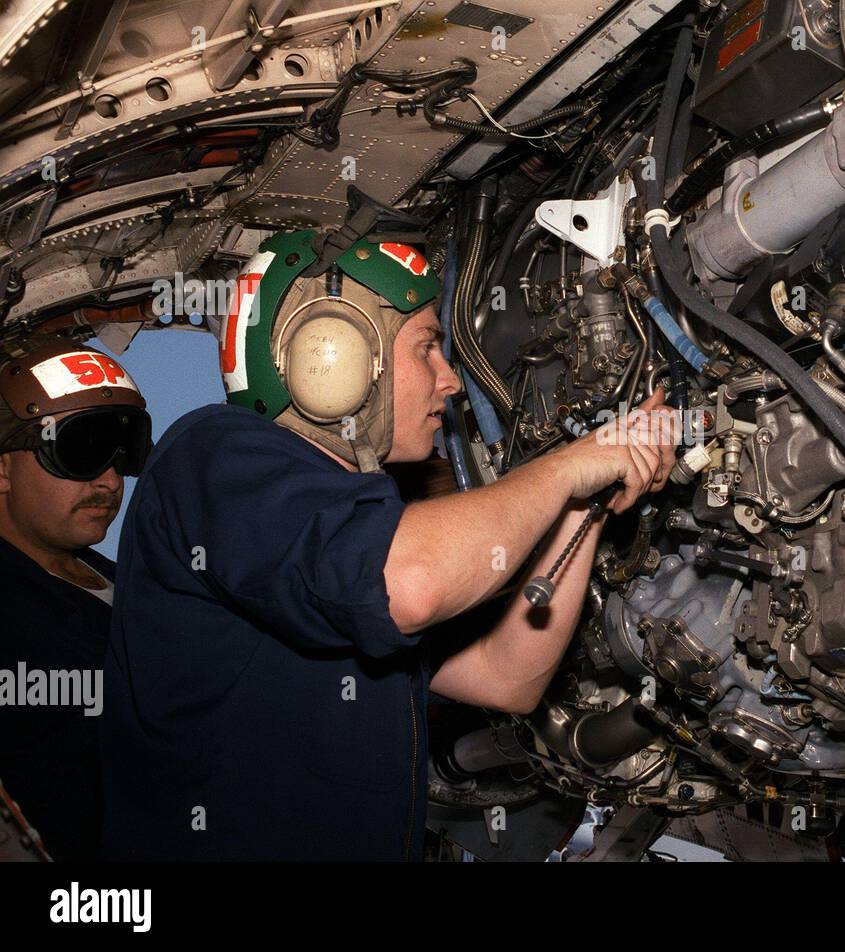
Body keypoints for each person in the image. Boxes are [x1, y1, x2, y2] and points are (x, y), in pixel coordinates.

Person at [100, 230, 678, 861]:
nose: (451, 381)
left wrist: (586, 504)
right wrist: (572, 463)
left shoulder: (350, 529)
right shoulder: (216, 453)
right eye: (427, 347)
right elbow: (411, 584)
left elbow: (508, 676)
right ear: (334, 352)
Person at [0, 338, 152, 860]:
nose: (110, 480)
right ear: (2, 467)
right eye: (81, 448)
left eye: (124, 451)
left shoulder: (137, 586)